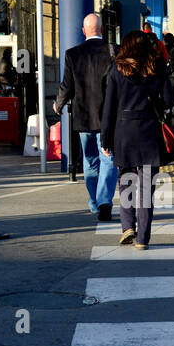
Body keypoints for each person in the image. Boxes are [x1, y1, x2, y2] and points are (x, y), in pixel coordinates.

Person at [100, 31, 174, 250]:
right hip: (149, 131)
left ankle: (127, 227)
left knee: (126, 181)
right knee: (146, 188)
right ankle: (143, 238)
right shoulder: (158, 67)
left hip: (124, 131)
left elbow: (109, 108)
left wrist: (105, 139)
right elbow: (169, 100)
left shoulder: (117, 69)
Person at [54, 13, 117, 221]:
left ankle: (94, 201)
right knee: (108, 159)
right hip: (107, 116)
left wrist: (59, 104)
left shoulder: (72, 54)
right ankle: (104, 200)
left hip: (83, 116)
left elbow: (67, 85)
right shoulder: (112, 51)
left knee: (90, 161)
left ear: (84, 31)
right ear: (102, 30)